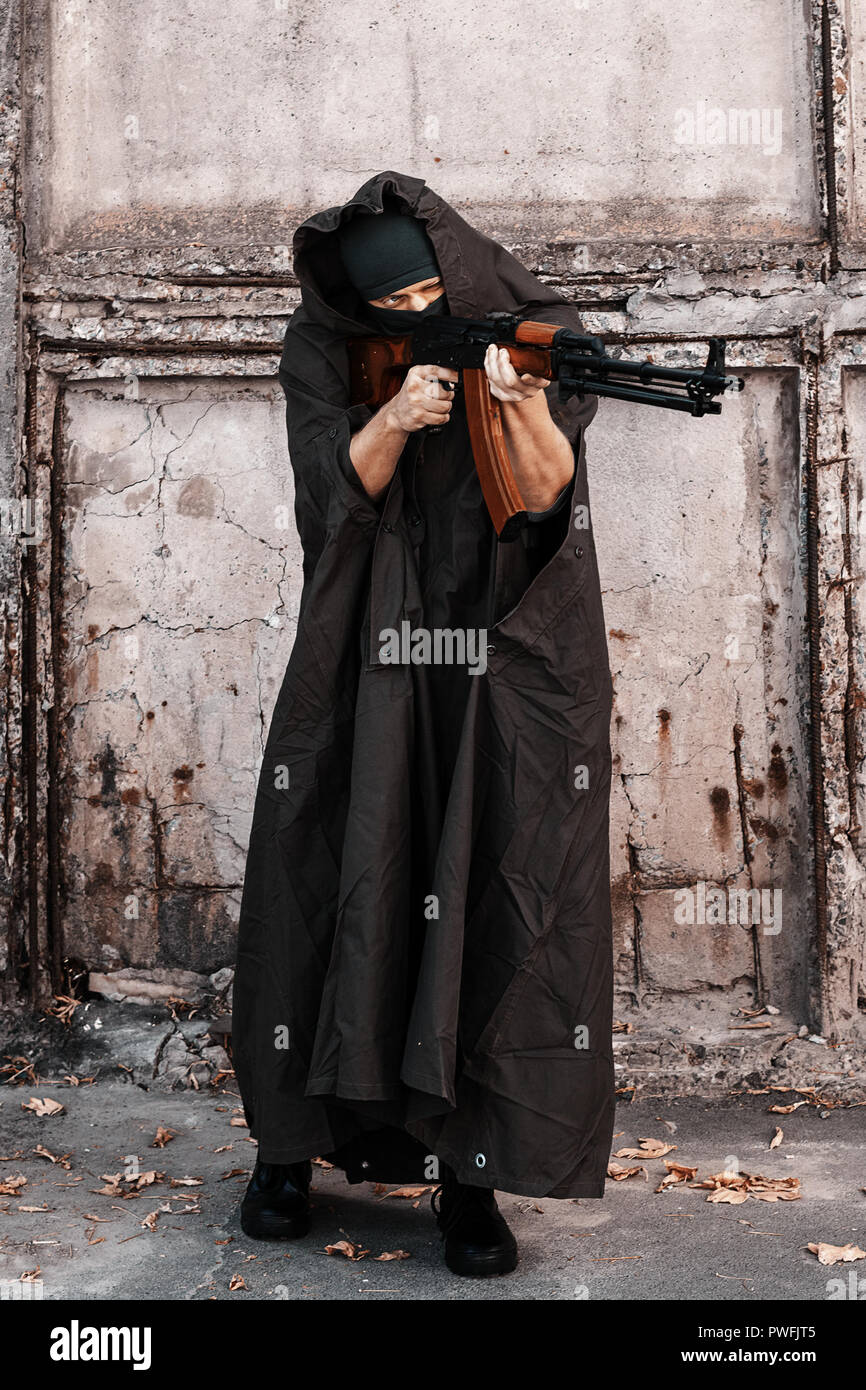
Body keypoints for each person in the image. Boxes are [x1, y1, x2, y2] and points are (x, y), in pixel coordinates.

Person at [232, 171, 615, 1278]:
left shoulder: (536, 332)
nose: (409, 319)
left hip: (487, 646)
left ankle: (470, 1171)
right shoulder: (320, 351)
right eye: (386, 312)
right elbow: (328, 496)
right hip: (363, 644)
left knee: (482, 871)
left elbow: (549, 498)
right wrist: (396, 414)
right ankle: (287, 1153)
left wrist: (517, 407)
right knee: (323, 871)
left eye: (421, 301)